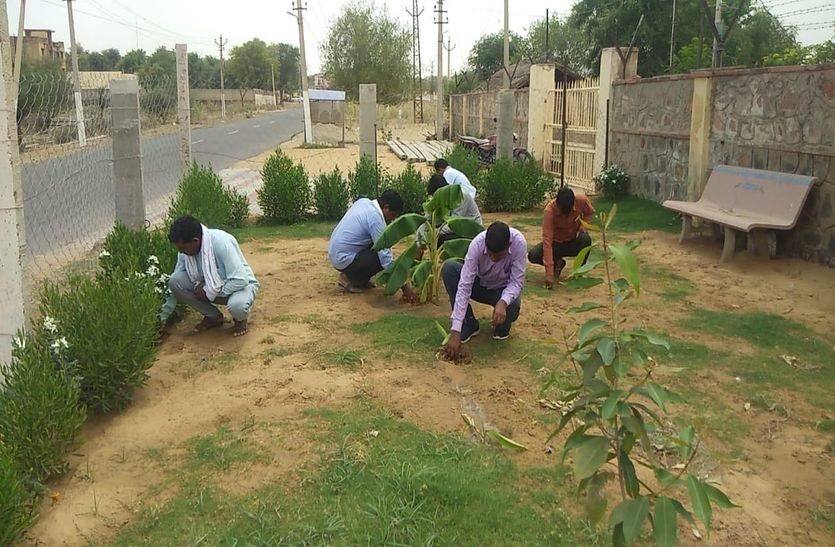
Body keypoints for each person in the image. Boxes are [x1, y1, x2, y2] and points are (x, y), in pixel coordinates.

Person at [161, 215, 259, 337]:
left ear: (195, 241)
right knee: (175, 281)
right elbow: (176, 280)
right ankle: (213, 317)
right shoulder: (185, 253)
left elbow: (241, 279)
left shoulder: (221, 242)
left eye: (183, 248)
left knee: (237, 307)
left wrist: (209, 290)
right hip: (209, 288)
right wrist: (163, 317)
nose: (181, 252)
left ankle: (240, 319)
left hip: (241, 286)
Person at [442, 221, 527, 359]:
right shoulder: (477, 244)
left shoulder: (519, 244)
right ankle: (469, 323)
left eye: (497, 256)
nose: (492, 258)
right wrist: (455, 330)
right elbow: (464, 286)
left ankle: (502, 327)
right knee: (449, 269)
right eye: (489, 254)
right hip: (479, 284)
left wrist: (503, 302)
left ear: (508, 246)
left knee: (513, 306)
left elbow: (516, 282)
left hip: (501, 290)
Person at [328, 189, 418, 301]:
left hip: (336, 252)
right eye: (393, 215)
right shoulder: (375, 219)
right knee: (380, 258)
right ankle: (350, 278)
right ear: (386, 208)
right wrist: (405, 287)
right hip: (343, 258)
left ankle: (361, 280)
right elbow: (386, 258)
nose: (392, 219)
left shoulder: (364, 201)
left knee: (376, 248)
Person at [528, 186, 595, 289]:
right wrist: (549, 274)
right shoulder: (549, 211)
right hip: (557, 244)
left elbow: (590, 213)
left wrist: (582, 227)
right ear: (557, 204)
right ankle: (557, 264)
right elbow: (547, 241)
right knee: (533, 255)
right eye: (563, 212)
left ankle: (579, 273)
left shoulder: (581, 200)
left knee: (586, 239)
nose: (566, 215)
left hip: (574, 241)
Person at [417, 173, 483, 252]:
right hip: (450, 227)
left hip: (469, 231)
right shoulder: (439, 199)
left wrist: (433, 234)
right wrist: (419, 240)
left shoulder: (461, 197)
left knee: (442, 240)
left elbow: (454, 224)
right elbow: (426, 219)